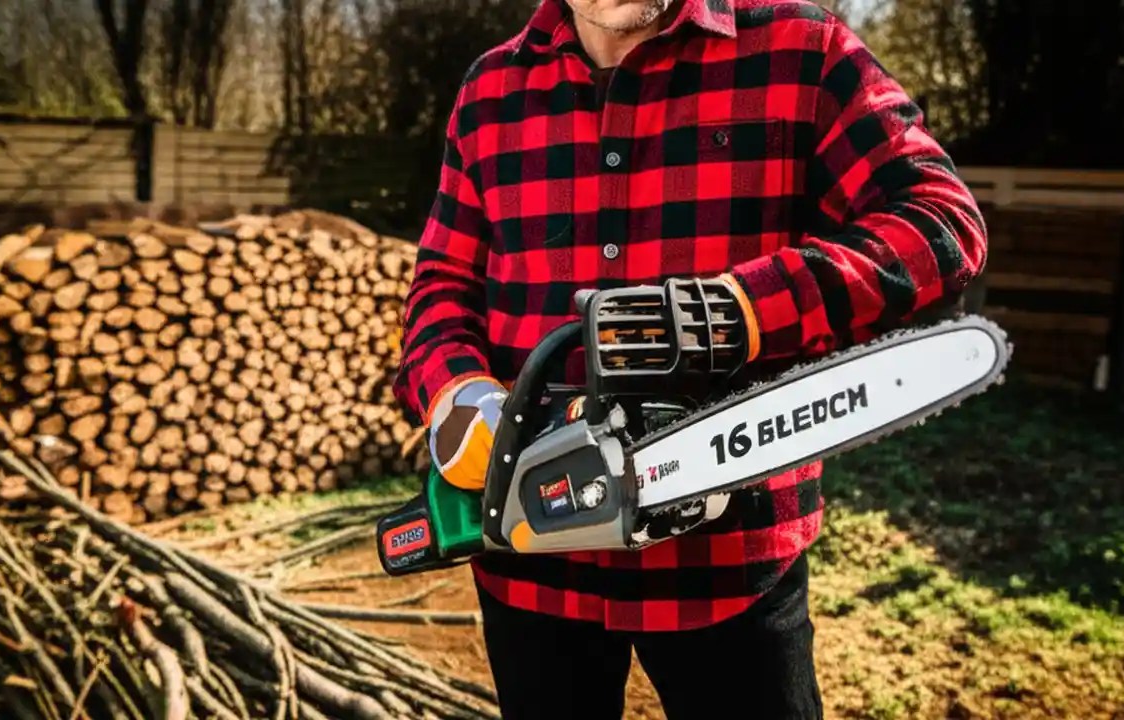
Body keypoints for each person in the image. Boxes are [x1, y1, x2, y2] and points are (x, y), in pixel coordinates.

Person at [392, 0, 988, 717]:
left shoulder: (802, 49)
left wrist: (742, 309)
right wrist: (457, 394)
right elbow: (443, 283)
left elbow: (940, 220)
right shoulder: (491, 90)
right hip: (529, 561)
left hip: (726, 561)